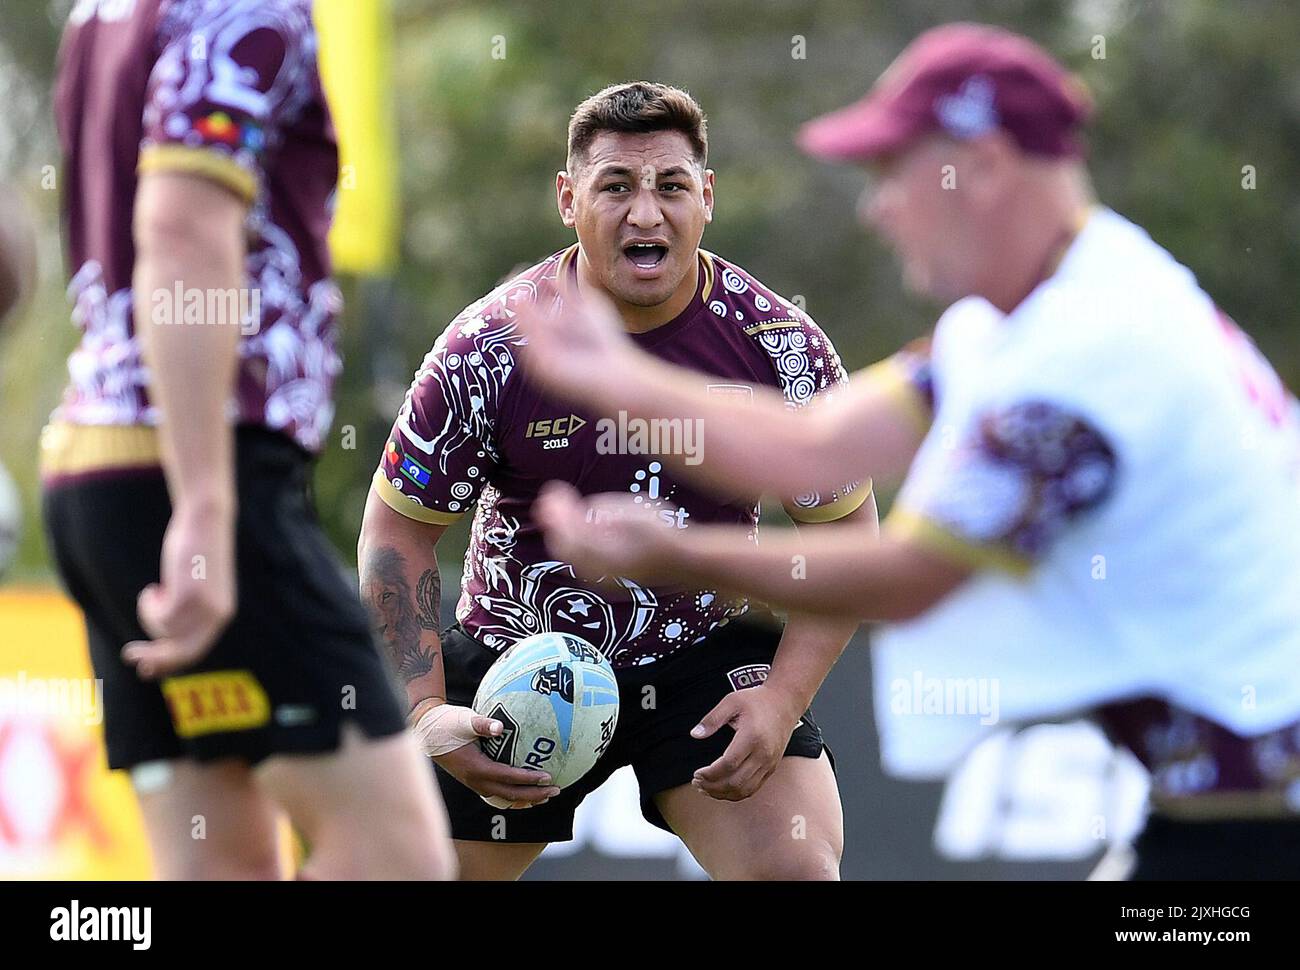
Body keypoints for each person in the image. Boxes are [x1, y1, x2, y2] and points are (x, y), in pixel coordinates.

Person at [521, 25, 1300, 880]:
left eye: (894, 172)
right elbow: (815, 444)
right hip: (1222, 809)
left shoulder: (1085, 349)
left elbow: (907, 577)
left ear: (986, 167)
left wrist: (673, 552)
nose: (876, 208)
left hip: (1261, 826)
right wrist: (617, 378)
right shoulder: (1033, 312)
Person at [358, 81, 874, 880]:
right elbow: (399, 530)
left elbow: (845, 534)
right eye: (615, 186)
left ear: (707, 197)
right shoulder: (489, 347)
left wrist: (782, 700)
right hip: (514, 661)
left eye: (671, 186)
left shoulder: (780, 345)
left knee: (797, 868)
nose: (645, 214)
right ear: (568, 199)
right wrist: (426, 710)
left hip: (701, 649)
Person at [40, 0, 452, 880]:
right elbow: (181, 225)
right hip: (196, 469)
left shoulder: (102, 12)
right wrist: (205, 502)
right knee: (400, 859)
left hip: (99, 478)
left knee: (217, 865)